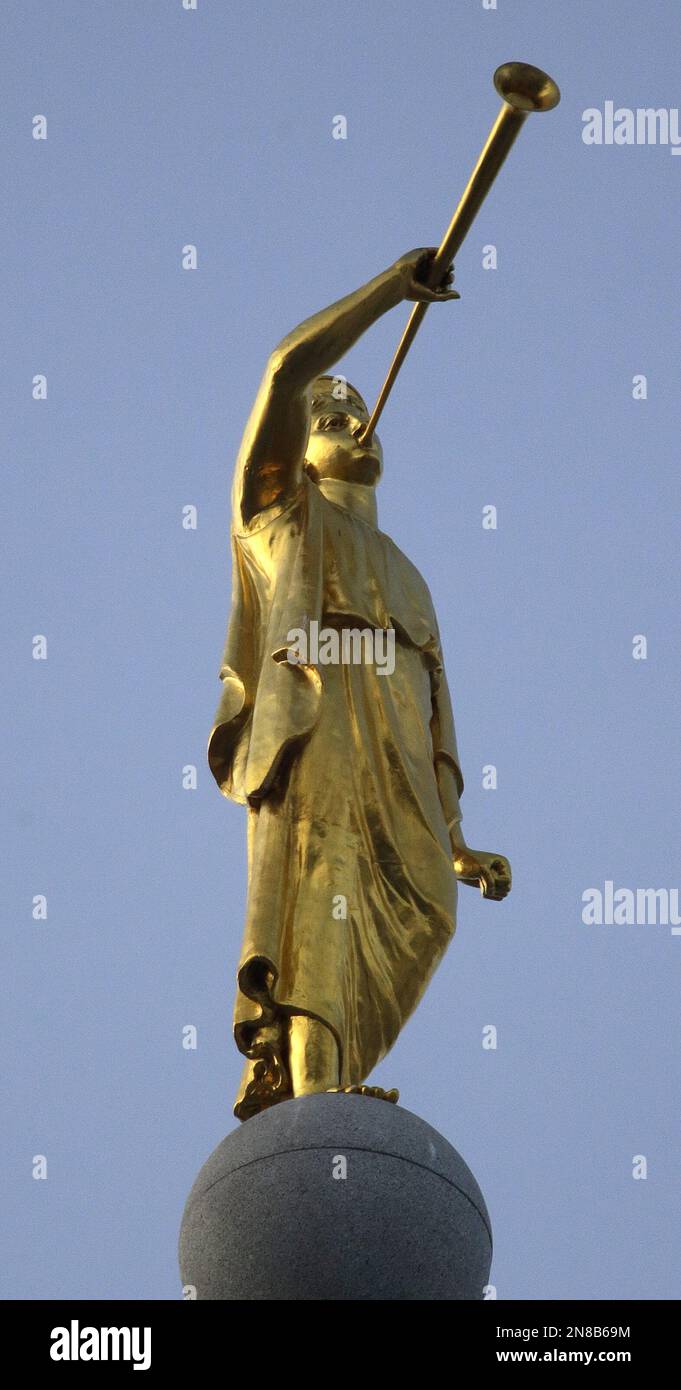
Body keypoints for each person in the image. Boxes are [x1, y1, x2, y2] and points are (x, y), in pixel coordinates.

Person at [208, 249, 512, 1120]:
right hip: (320, 731)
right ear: (298, 451)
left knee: (428, 911)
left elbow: (433, 711)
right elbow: (283, 368)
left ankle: (326, 1086)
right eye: (329, 414)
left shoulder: (409, 575)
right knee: (326, 897)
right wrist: (390, 287)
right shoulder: (275, 517)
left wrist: (455, 840)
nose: (351, 418)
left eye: (356, 411)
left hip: (401, 775)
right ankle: (318, 1101)